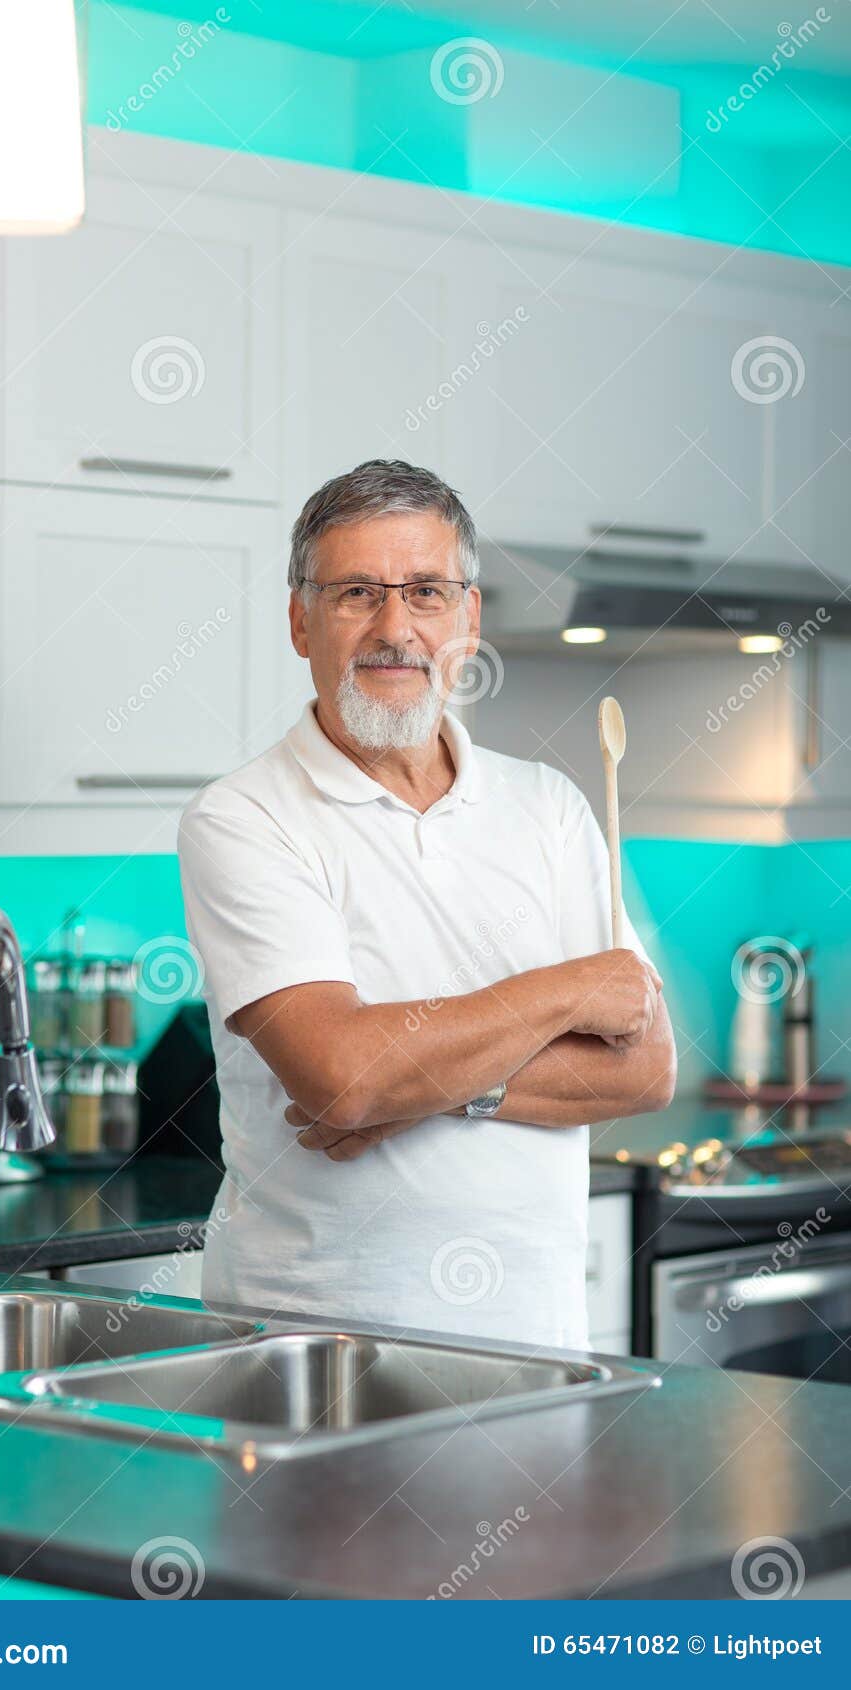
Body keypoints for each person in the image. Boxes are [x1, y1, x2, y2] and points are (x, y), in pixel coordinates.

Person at [178, 459, 676, 1350]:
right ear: (299, 619)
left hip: (535, 1343)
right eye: (356, 593)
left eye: (427, 593)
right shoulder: (244, 816)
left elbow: (641, 1070)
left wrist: (412, 1089)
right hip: (311, 1346)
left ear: (469, 618)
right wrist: (567, 993)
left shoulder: (550, 806)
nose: (394, 628)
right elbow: (340, 1076)